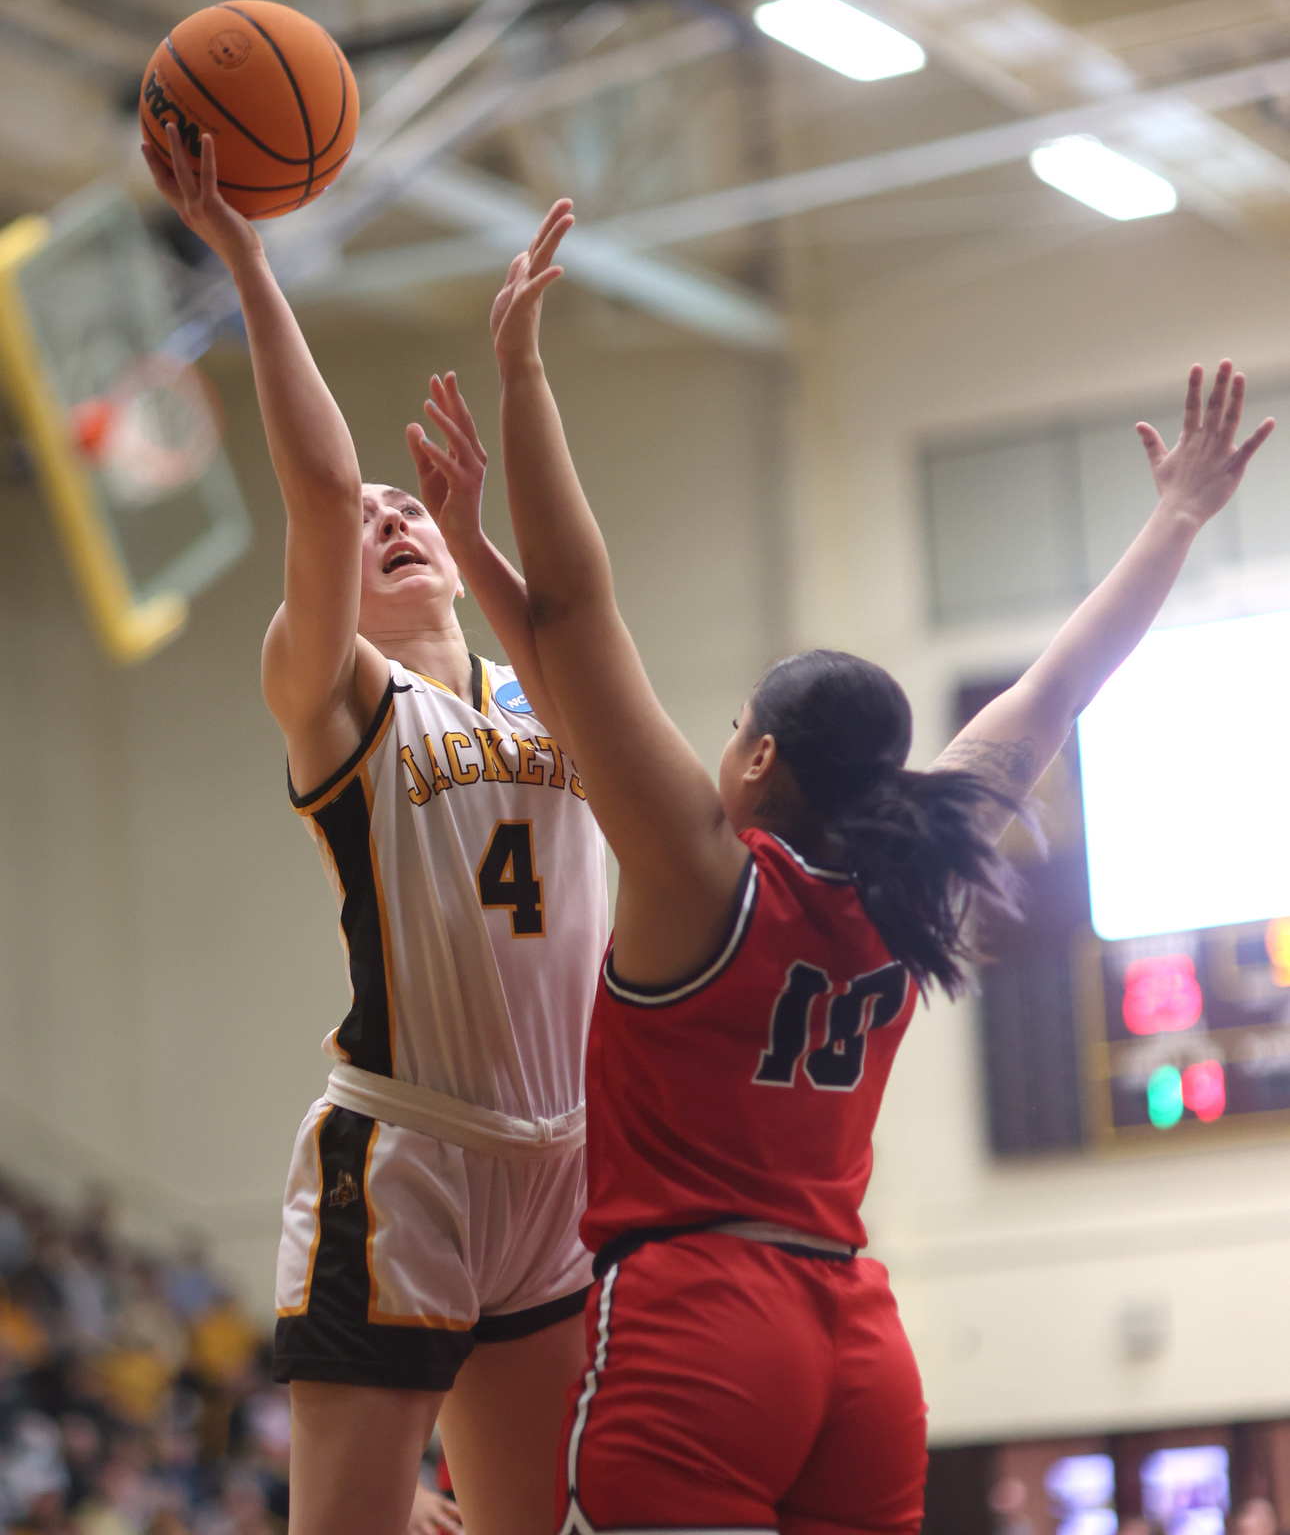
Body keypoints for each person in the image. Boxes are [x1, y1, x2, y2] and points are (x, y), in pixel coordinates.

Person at [425, 197, 1274, 1533]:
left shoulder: (705, 873)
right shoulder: (906, 883)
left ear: (760, 758)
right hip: (855, 1341)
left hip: (702, 1317)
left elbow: (579, 611)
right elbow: (1059, 689)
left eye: (731, 730)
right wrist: (1174, 517)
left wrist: (523, 371)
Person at [142, 129, 607, 1535]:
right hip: (408, 1155)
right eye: (367, 515)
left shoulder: (547, 686)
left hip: (560, 1162)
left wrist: (523, 382)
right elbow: (316, 482)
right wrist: (248, 262)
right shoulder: (336, 687)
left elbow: (580, 596)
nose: (388, 513)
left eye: (407, 506)